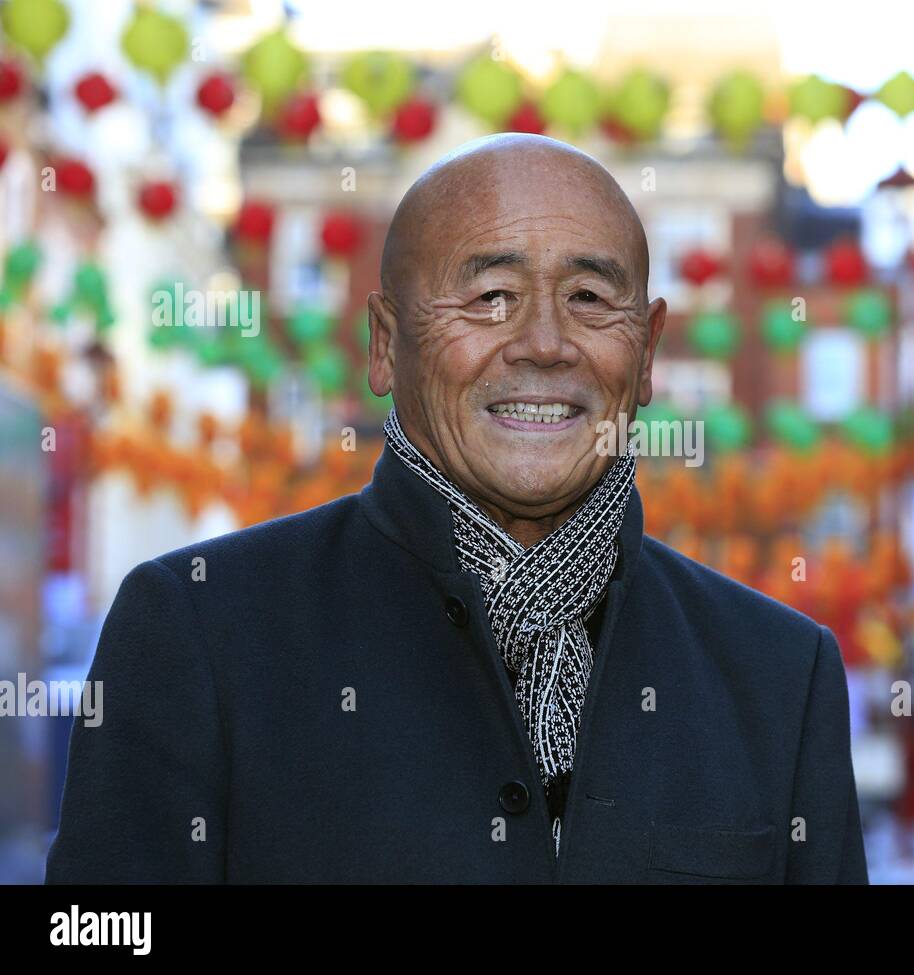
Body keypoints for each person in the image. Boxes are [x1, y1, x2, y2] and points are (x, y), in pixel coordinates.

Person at [45, 133, 868, 884]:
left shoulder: (777, 674)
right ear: (383, 343)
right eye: (491, 296)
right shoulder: (200, 632)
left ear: (647, 352)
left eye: (588, 296)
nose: (545, 341)